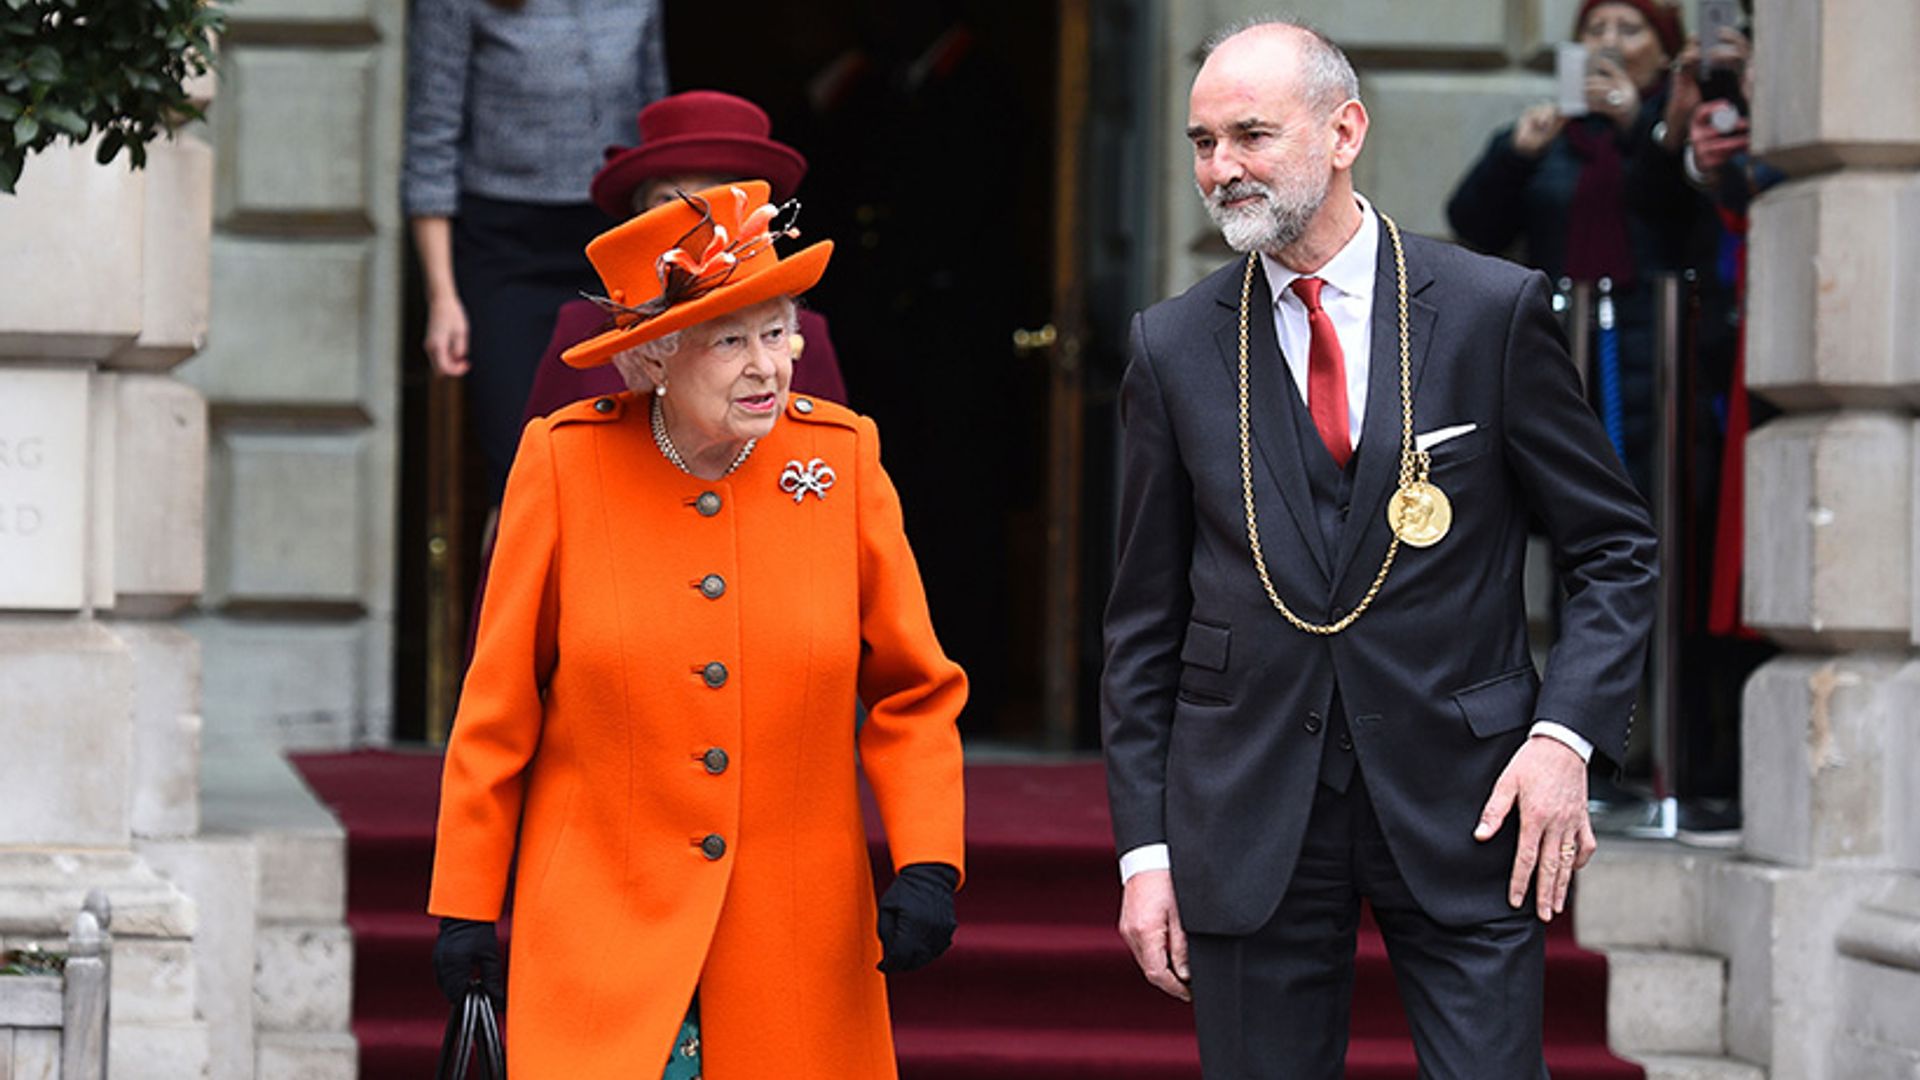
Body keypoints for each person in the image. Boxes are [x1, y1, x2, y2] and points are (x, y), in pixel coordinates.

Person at [1101, 19, 1658, 1078]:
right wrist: (1144, 852)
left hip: (1470, 796)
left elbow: (1615, 549)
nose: (1222, 169)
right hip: (1247, 802)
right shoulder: (1169, 346)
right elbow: (1140, 626)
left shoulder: (1490, 311)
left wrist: (1565, 741)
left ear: (1345, 129)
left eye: (1252, 136)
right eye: (1203, 141)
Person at [427, 181, 968, 1079]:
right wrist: (467, 903)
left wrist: (928, 862)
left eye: (777, 331)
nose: (768, 366)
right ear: (653, 357)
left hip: (793, 941)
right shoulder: (564, 465)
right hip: (601, 927)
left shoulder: (840, 462)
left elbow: (915, 691)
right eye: (730, 340)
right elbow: (499, 705)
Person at [403, 0, 668, 500]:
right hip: (504, 250)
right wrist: (443, 298)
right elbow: (430, 146)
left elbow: (656, 138)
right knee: (522, 464)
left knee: (618, 458)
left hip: (611, 252)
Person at [1445, 0, 1694, 495]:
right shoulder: (1552, 135)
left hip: (1658, 340)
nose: (1608, 43)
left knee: (1658, 488)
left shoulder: (1675, 131)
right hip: (1564, 338)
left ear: (1664, 50)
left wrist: (1637, 122)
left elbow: (1679, 205)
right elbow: (1473, 224)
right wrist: (1515, 156)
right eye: (1595, 29)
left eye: (1629, 29)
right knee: (1567, 485)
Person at [518, 89, 849, 424]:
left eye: (713, 198)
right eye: (668, 199)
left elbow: (828, 463)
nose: (690, 220)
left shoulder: (804, 332)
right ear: (640, 215)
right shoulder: (581, 328)